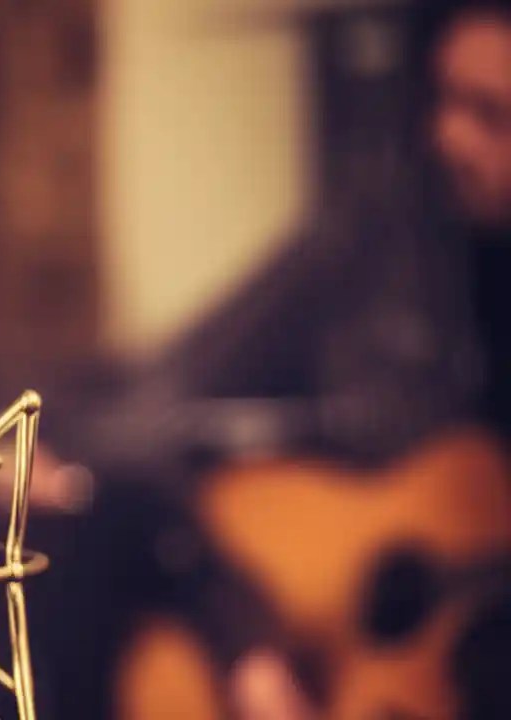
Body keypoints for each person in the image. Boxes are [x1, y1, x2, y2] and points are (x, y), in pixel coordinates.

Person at [26, 0, 511, 718]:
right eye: (441, 99)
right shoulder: (385, 243)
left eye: (491, 113)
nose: (448, 137)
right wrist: (242, 634)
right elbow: (154, 407)